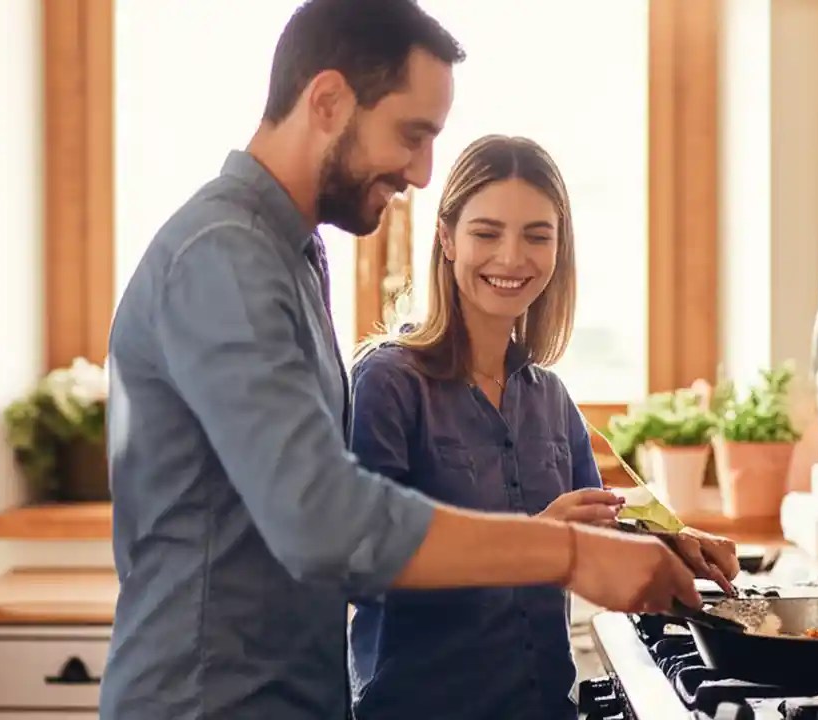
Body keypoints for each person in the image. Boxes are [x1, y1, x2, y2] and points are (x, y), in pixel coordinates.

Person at [99, 2, 725, 719]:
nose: (425, 173)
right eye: (411, 134)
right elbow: (327, 522)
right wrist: (569, 553)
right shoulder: (222, 258)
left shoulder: (290, 259)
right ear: (328, 100)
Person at [345, 135, 739, 719]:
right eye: (486, 233)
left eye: (537, 235)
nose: (512, 258)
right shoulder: (388, 383)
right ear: (447, 238)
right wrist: (539, 543)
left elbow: (602, 526)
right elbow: (365, 567)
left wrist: (673, 543)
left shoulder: (550, 398)